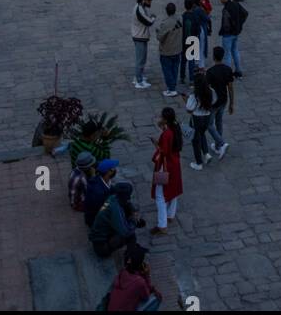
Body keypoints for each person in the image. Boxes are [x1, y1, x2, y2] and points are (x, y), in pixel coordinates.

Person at [150, 106, 183, 236]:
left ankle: (162, 225)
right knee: (173, 190)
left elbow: (164, 151)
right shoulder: (175, 127)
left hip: (165, 167)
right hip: (175, 164)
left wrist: (156, 144)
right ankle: (170, 214)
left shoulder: (167, 133)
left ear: (165, 119)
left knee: (160, 195)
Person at [90, 181, 142, 259]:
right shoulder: (115, 209)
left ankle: (130, 255)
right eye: (128, 196)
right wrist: (134, 220)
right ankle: (130, 260)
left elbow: (128, 204)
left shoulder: (113, 198)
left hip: (99, 238)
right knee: (131, 235)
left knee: (127, 216)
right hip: (101, 248)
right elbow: (126, 232)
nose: (129, 198)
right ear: (125, 196)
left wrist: (133, 211)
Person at [106, 244, 162, 313]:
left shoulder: (123, 272)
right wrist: (147, 276)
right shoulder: (139, 282)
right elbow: (146, 296)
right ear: (140, 264)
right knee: (157, 299)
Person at [205, 45, 235, 159]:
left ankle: (221, 143)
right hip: (224, 99)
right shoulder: (227, 69)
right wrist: (232, 103)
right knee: (219, 122)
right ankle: (218, 146)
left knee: (209, 124)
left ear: (213, 57)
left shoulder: (210, 72)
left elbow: (207, 89)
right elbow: (231, 88)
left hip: (214, 102)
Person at [184, 70, 214, 170]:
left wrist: (185, 99)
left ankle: (198, 163)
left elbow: (189, 109)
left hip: (197, 119)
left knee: (195, 140)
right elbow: (213, 101)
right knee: (202, 134)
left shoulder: (194, 96)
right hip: (207, 117)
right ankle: (206, 153)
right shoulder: (210, 91)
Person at [219, 0, 248, 77]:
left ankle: (227, 74)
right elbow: (245, 13)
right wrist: (239, 25)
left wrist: (224, 31)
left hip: (228, 34)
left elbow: (226, 24)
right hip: (236, 33)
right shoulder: (236, 4)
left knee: (227, 54)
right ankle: (238, 70)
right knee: (235, 51)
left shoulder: (226, 9)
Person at [83, 158, 119, 229]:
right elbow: (101, 211)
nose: (115, 170)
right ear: (108, 172)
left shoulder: (102, 179)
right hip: (96, 221)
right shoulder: (98, 193)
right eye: (113, 169)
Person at [156, 2, 183, 95]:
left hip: (167, 51)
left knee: (167, 70)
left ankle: (171, 89)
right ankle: (173, 86)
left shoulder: (165, 23)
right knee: (175, 69)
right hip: (177, 49)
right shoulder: (180, 19)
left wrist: (158, 31)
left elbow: (159, 37)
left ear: (166, 11)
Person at [131, 0, 154, 89]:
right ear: (144, 0)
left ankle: (139, 76)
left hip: (141, 36)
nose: (150, 2)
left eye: (151, 0)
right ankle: (138, 81)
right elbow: (148, 22)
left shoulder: (141, 7)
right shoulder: (139, 9)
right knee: (140, 60)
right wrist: (153, 18)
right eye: (149, 0)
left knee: (142, 59)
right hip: (139, 37)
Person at [192, 0, 212, 68]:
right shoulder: (199, 9)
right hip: (201, 29)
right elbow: (207, 18)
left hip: (195, 30)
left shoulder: (193, 7)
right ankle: (201, 66)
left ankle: (197, 64)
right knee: (202, 48)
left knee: (196, 47)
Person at [179, 0, 197, 86]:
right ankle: (191, 79)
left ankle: (182, 77)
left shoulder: (183, 16)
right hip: (194, 40)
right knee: (192, 61)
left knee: (183, 60)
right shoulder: (195, 16)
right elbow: (198, 29)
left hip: (184, 40)